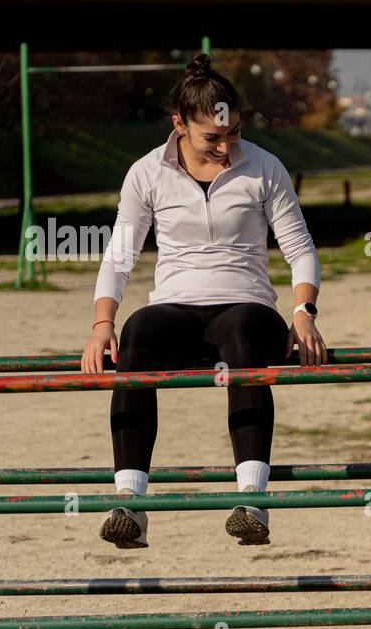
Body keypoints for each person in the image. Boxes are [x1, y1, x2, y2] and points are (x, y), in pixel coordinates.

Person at [82, 54, 326, 549]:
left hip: (246, 302)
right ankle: (131, 502)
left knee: (241, 334)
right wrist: (101, 321)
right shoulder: (147, 172)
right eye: (212, 138)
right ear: (179, 125)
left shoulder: (264, 167)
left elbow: (299, 247)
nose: (224, 146)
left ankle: (252, 500)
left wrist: (304, 312)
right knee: (137, 333)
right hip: (176, 303)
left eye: (233, 133)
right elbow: (120, 255)